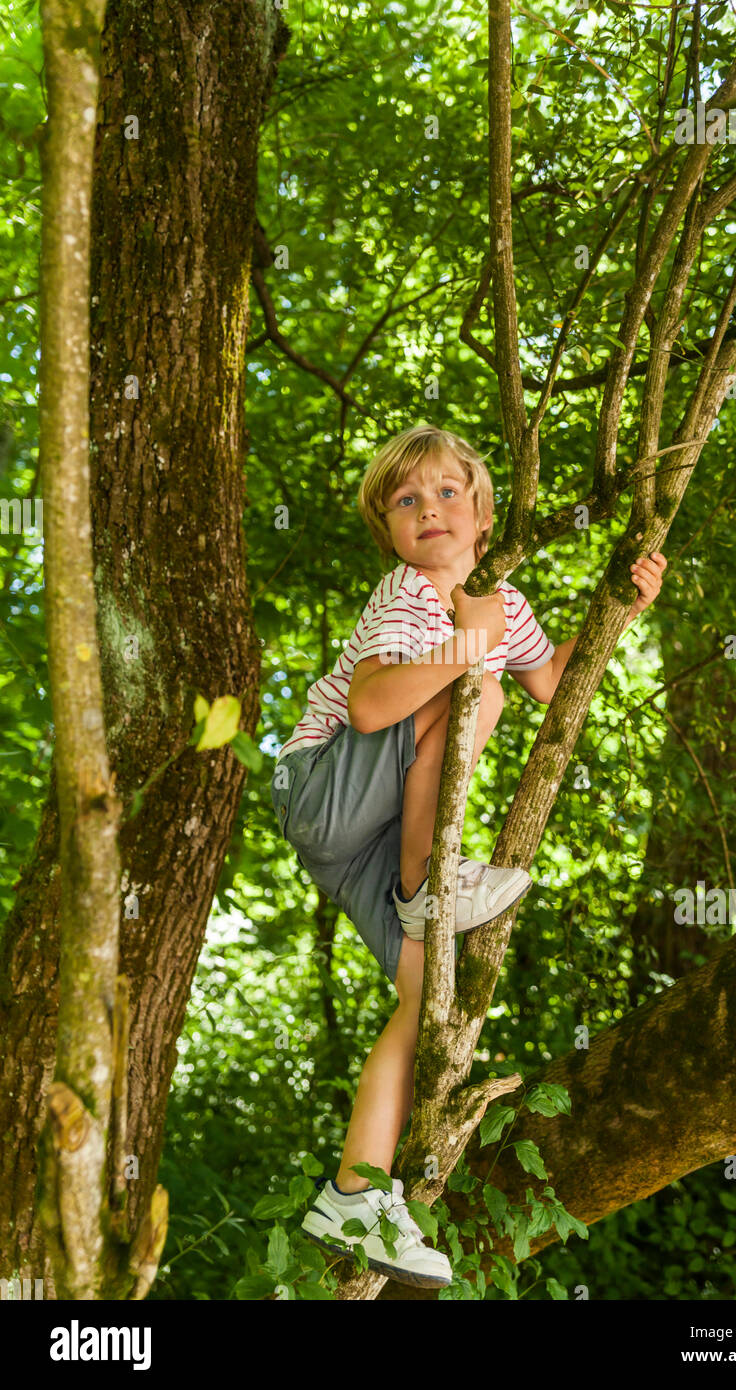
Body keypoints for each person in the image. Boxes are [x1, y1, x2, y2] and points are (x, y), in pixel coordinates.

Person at [270, 424, 666, 1289]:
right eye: (407, 500)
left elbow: (554, 685)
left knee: (425, 1005)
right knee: (472, 682)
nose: (429, 509)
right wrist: (469, 644)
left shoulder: (504, 602)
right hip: (324, 789)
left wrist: (620, 610)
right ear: (390, 530)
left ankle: (356, 1195)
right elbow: (372, 707)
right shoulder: (406, 592)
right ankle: (429, 884)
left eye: (448, 491)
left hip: (365, 845)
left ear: (484, 517)